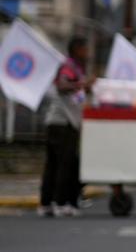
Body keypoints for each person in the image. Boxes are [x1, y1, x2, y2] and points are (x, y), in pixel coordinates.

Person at [39, 36, 93, 217]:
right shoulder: (69, 67)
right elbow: (62, 85)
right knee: (65, 163)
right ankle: (59, 203)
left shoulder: (75, 68)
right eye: (85, 49)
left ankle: (46, 203)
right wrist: (82, 84)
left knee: (54, 164)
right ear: (77, 49)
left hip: (62, 121)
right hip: (63, 122)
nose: (88, 53)